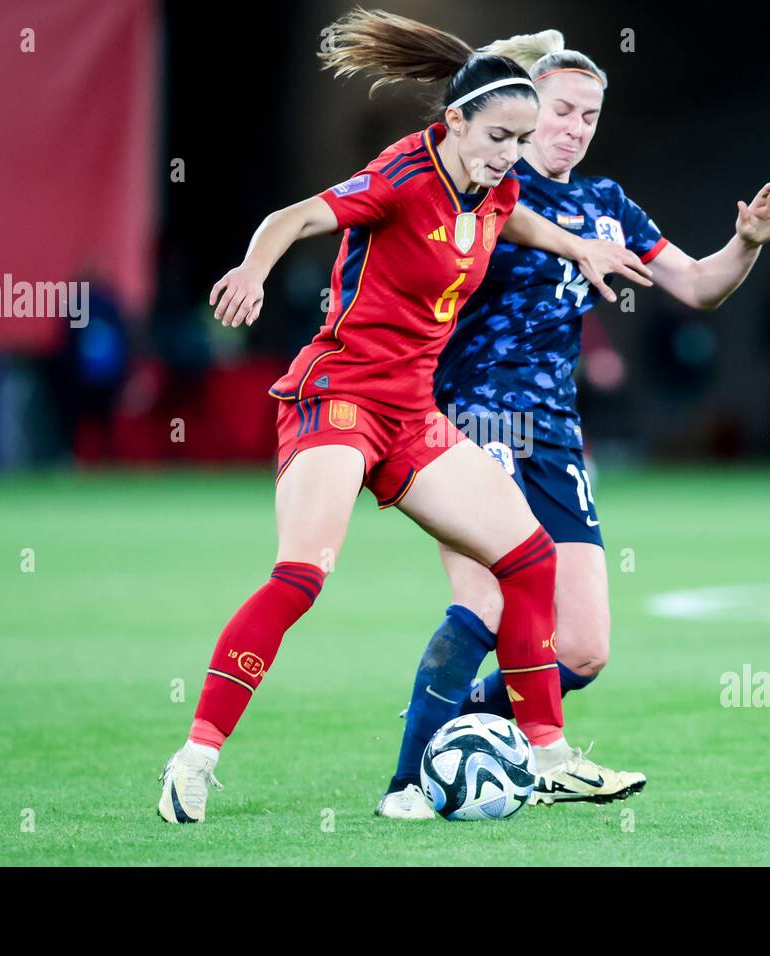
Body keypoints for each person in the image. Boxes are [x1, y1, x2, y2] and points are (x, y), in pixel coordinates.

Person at [156, 9, 654, 824]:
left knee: (528, 560)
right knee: (301, 577)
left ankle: (548, 752)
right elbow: (298, 217)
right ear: (454, 121)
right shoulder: (402, 177)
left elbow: (511, 216)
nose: (505, 159)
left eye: (517, 142)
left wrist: (580, 247)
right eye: (496, 139)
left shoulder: (493, 188)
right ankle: (197, 757)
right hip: (339, 398)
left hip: (413, 414)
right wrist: (252, 268)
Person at [377, 29, 770, 818]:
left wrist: (744, 244)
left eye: (590, 116)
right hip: (465, 418)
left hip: (554, 434)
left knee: (582, 648)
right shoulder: (483, 185)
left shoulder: (607, 205)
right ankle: (408, 786)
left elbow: (702, 285)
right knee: (489, 602)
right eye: (562, 110)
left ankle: (459, 728)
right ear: (526, 111)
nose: (575, 127)